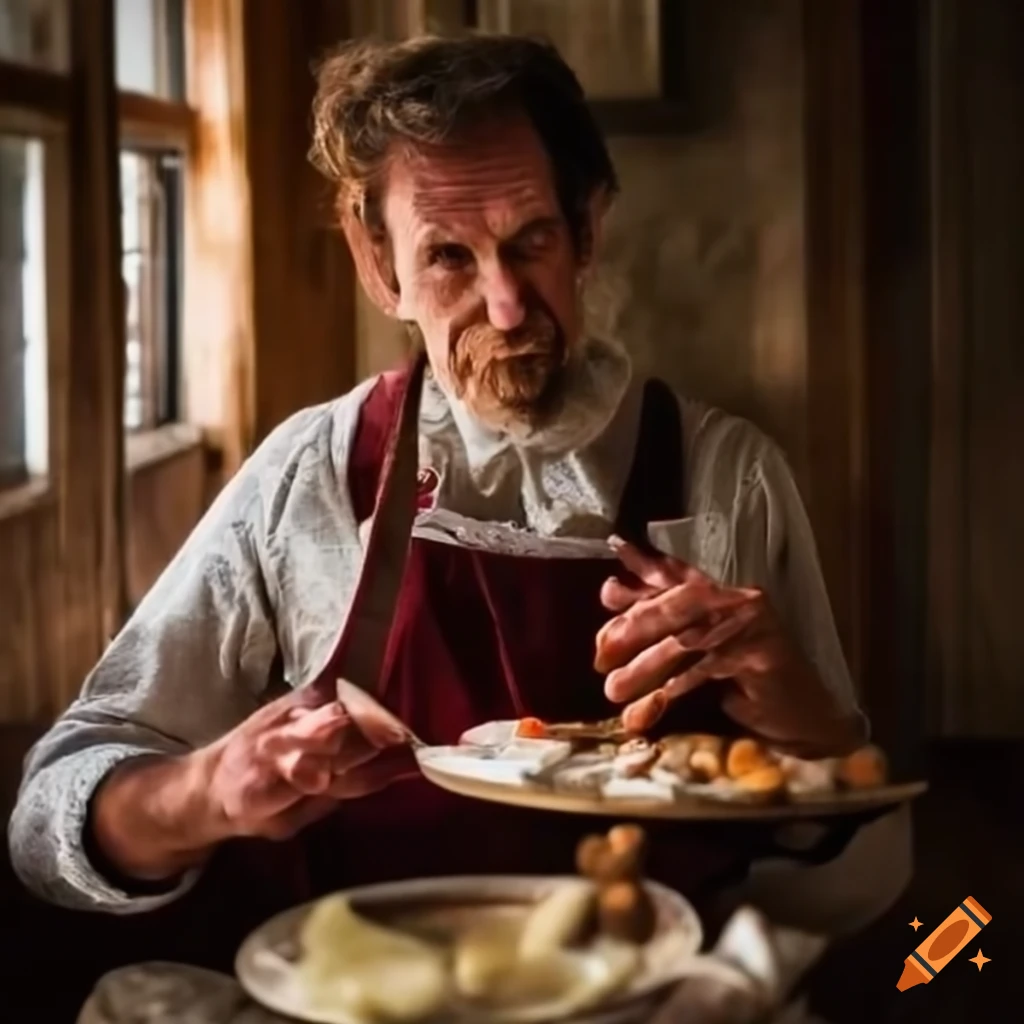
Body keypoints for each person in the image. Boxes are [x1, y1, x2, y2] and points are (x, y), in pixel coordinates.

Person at [9, 34, 908, 944]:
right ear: (378, 266)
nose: (507, 304)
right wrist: (203, 791)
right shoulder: (307, 473)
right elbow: (49, 821)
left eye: (533, 241)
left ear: (587, 231)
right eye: (448, 257)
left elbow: (865, 866)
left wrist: (815, 735)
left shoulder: (732, 477)